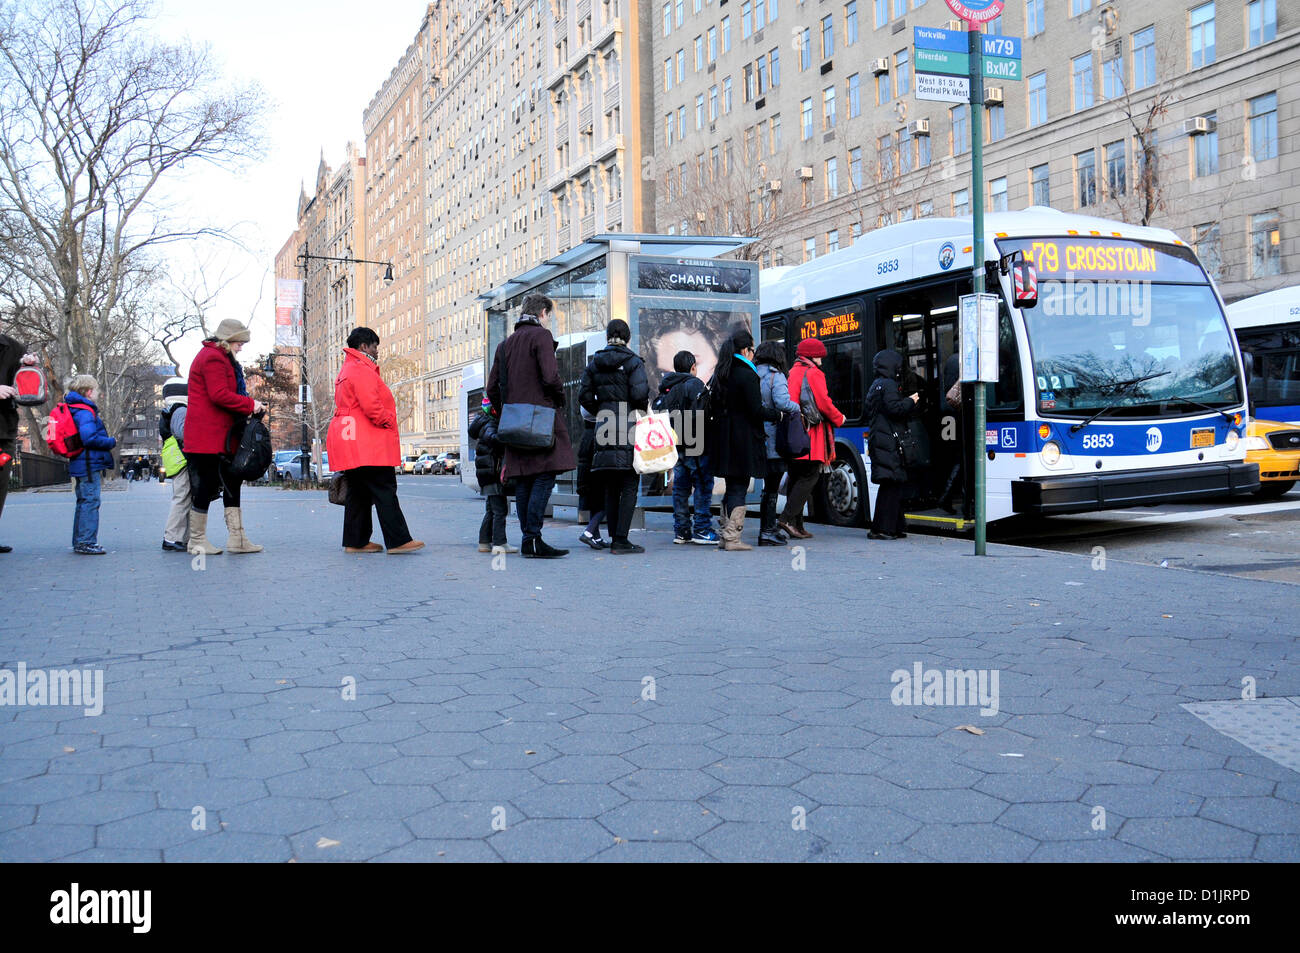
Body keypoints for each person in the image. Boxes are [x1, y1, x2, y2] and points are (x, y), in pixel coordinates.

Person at [486, 293, 576, 559]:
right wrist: (559, 399)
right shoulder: (541, 337)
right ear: (543, 313)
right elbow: (550, 377)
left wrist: (508, 409)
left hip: (514, 422)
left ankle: (529, 539)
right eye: (550, 316)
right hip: (542, 419)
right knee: (546, 474)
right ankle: (533, 537)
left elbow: (492, 388)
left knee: (524, 478)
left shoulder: (505, 345)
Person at [326, 327, 424, 554]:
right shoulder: (361, 369)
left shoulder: (346, 369)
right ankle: (398, 540)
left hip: (351, 440)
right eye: (374, 346)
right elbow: (372, 406)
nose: (377, 351)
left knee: (358, 492)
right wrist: (388, 420)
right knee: (384, 488)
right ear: (364, 346)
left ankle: (356, 541)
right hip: (367, 442)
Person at [184, 319, 268, 555]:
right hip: (207, 437)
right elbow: (219, 395)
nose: (241, 347)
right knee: (203, 487)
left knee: (232, 482)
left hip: (219, 436)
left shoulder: (220, 357)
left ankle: (237, 538)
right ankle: (197, 541)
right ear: (227, 340)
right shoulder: (212, 358)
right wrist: (250, 404)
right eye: (239, 342)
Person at [579, 318, 650, 555]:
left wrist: (601, 408)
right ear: (628, 338)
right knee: (629, 482)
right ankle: (621, 539)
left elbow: (584, 396)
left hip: (604, 425)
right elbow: (640, 394)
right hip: (628, 424)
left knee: (610, 484)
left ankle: (612, 537)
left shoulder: (594, 363)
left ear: (607, 336)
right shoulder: (633, 362)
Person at [707, 329, 777, 551]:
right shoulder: (747, 375)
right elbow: (756, 410)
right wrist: (778, 414)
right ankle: (732, 539)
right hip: (742, 439)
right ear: (746, 350)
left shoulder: (721, 373)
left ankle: (724, 536)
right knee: (739, 485)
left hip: (723, 439)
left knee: (731, 486)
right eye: (752, 350)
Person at [779, 338, 846, 541]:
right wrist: (839, 418)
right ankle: (787, 518)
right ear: (810, 356)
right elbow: (824, 403)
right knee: (810, 475)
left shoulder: (792, 371)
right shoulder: (814, 373)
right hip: (810, 434)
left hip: (792, 432)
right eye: (819, 356)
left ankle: (797, 526)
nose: (821, 361)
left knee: (796, 476)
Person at [656, 349, 717, 545]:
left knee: (680, 488)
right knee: (702, 485)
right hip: (696, 442)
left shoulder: (667, 387)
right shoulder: (695, 385)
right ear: (692, 367)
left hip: (675, 444)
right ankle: (702, 529)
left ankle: (681, 531)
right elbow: (703, 415)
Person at [866, 348, 919, 540]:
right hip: (888, 441)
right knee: (891, 484)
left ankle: (895, 527)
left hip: (880, 439)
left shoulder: (876, 384)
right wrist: (910, 401)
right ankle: (881, 529)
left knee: (892, 483)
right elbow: (894, 409)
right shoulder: (888, 384)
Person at [754, 340, 801, 546]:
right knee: (772, 486)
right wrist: (797, 407)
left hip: (757, 436)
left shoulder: (753, 373)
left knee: (768, 485)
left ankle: (768, 529)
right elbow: (782, 403)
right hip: (774, 437)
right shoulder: (776, 376)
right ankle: (767, 531)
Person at [64, 375, 116, 555]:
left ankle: (80, 540)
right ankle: (86, 541)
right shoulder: (85, 411)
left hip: (81, 462)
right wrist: (110, 442)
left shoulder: (75, 407)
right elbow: (89, 438)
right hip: (88, 463)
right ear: (88, 391)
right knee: (91, 501)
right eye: (95, 389)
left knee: (83, 501)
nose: (97, 393)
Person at [0, 336, 39, 554]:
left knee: (1, 484)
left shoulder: (12, 347)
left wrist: (28, 365)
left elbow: (26, 382)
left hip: (4, 428)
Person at [468, 395, 517, 555]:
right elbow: (494, 439)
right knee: (499, 510)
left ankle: (484, 541)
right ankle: (499, 543)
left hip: (487, 473)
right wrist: (509, 437)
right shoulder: (489, 424)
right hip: (492, 473)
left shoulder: (483, 421)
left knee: (491, 510)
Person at [158, 377, 191, 551]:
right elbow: (184, 433)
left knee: (183, 497)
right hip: (182, 459)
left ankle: (179, 537)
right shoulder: (180, 410)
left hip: (175, 459)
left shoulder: (169, 410)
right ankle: (172, 537)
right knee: (182, 498)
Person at [574, 405, 608, 549]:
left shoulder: (587, 433)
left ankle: (596, 536)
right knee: (607, 496)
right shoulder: (601, 428)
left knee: (596, 498)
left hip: (589, 441)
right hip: (599, 442)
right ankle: (588, 532)